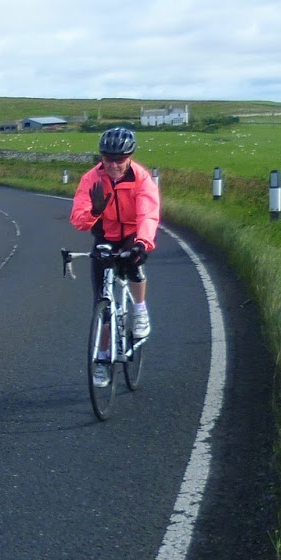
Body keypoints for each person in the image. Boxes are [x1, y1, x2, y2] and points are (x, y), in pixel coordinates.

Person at [68, 126, 159, 388]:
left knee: (134, 264)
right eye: (108, 159)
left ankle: (140, 311)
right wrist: (95, 211)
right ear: (101, 157)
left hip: (132, 232)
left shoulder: (141, 179)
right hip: (105, 235)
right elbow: (79, 220)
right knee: (103, 303)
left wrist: (142, 243)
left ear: (130, 157)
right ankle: (102, 358)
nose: (114, 165)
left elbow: (148, 214)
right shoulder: (91, 179)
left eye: (120, 160)